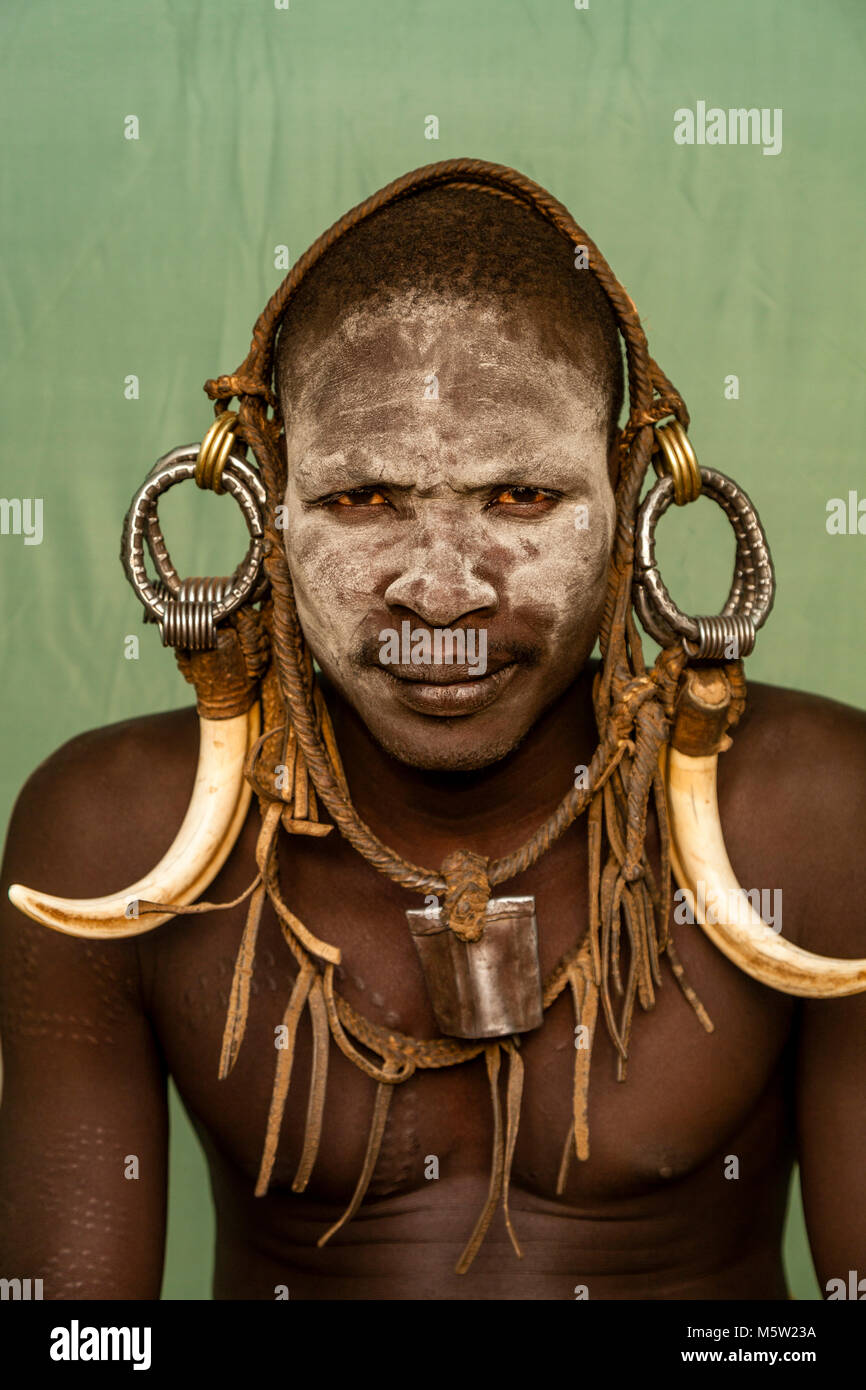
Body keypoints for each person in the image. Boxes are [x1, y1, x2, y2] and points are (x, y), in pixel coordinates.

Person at [1, 161, 864, 1301]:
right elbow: (74, 1342)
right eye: (363, 499)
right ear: (264, 500)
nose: (442, 591)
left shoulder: (816, 816)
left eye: (519, 498)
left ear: (624, 495)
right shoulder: (111, 830)